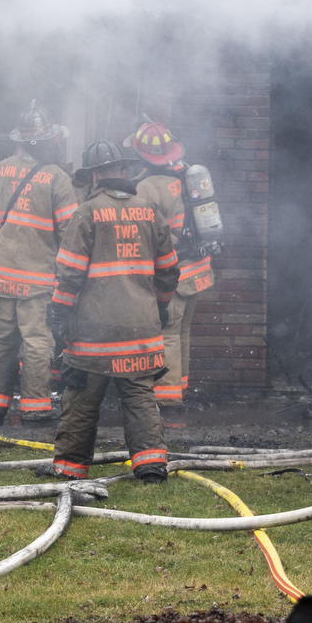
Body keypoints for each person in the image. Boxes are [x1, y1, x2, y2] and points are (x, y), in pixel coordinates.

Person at [47, 140, 181, 482]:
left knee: (81, 399)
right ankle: (151, 466)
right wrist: (161, 306)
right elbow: (169, 271)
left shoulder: (87, 213)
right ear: (123, 170)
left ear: (93, 177)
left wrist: (59, 314)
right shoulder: (150, 212)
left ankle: (70, 468)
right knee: (139, 398)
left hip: (94, 335)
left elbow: (69, 274)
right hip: (140, 332)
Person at [0, 103, 78, 424]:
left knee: (0, 341)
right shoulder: (58, 178)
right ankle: (35, 408)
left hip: (0, 279)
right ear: (49, 140)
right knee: (37, 342)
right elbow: (71, 235)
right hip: (38, 282)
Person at [125, 118, 213, 408]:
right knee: (182, 332)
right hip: (197, 271)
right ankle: (180, 388)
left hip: (173, 275)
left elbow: (144, 237)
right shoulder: (186, 176)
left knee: (168, 334)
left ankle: (167, 399)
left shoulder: (147, 187)